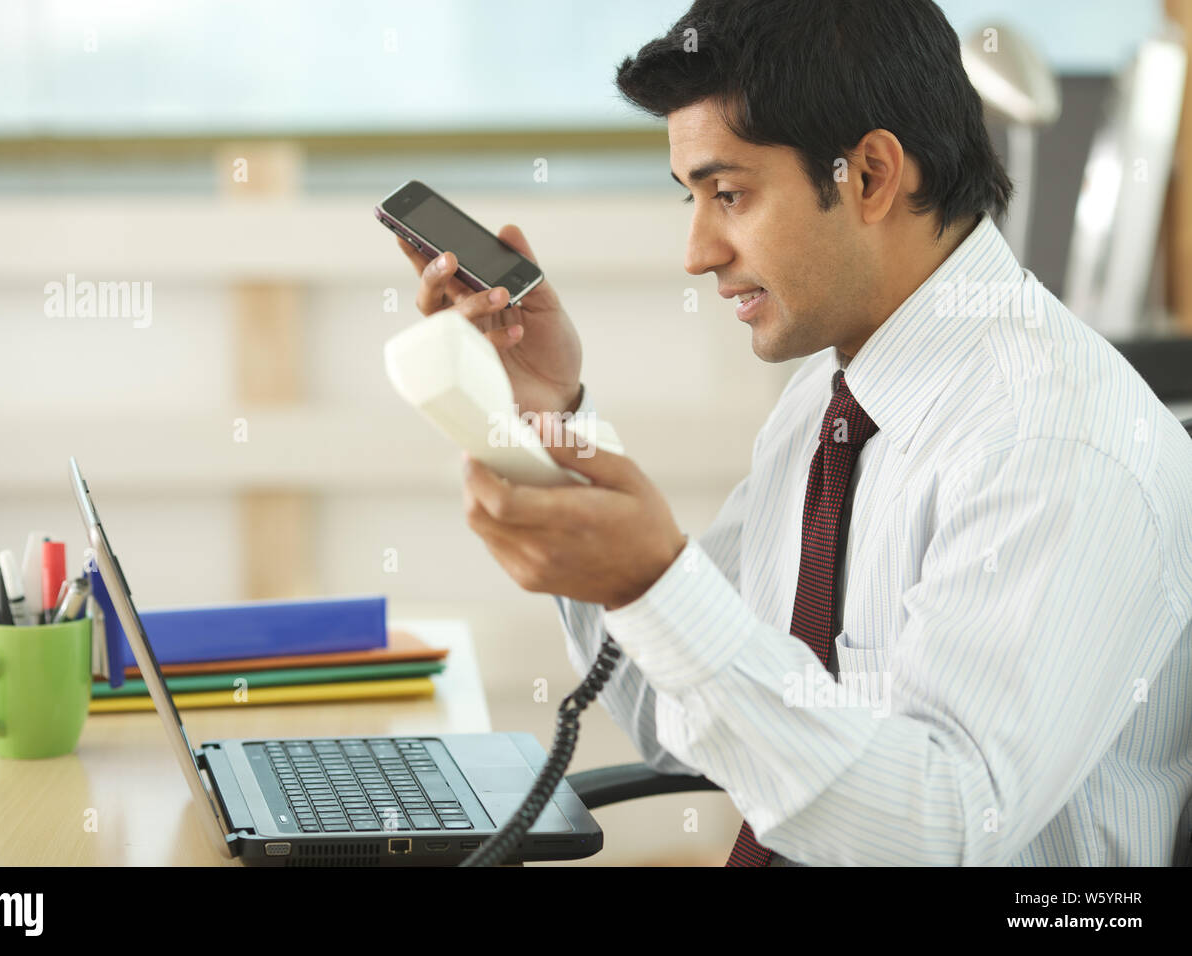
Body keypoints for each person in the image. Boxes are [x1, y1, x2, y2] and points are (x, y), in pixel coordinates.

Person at [392, 0, 1192, 865]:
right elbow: (683, 723)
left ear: (871, 176)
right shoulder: (830, 398)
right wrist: (552, 422)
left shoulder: (1054, 448)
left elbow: (939, 831)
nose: (696, 252)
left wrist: (658, 583)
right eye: (691, 198)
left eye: (728, 194)